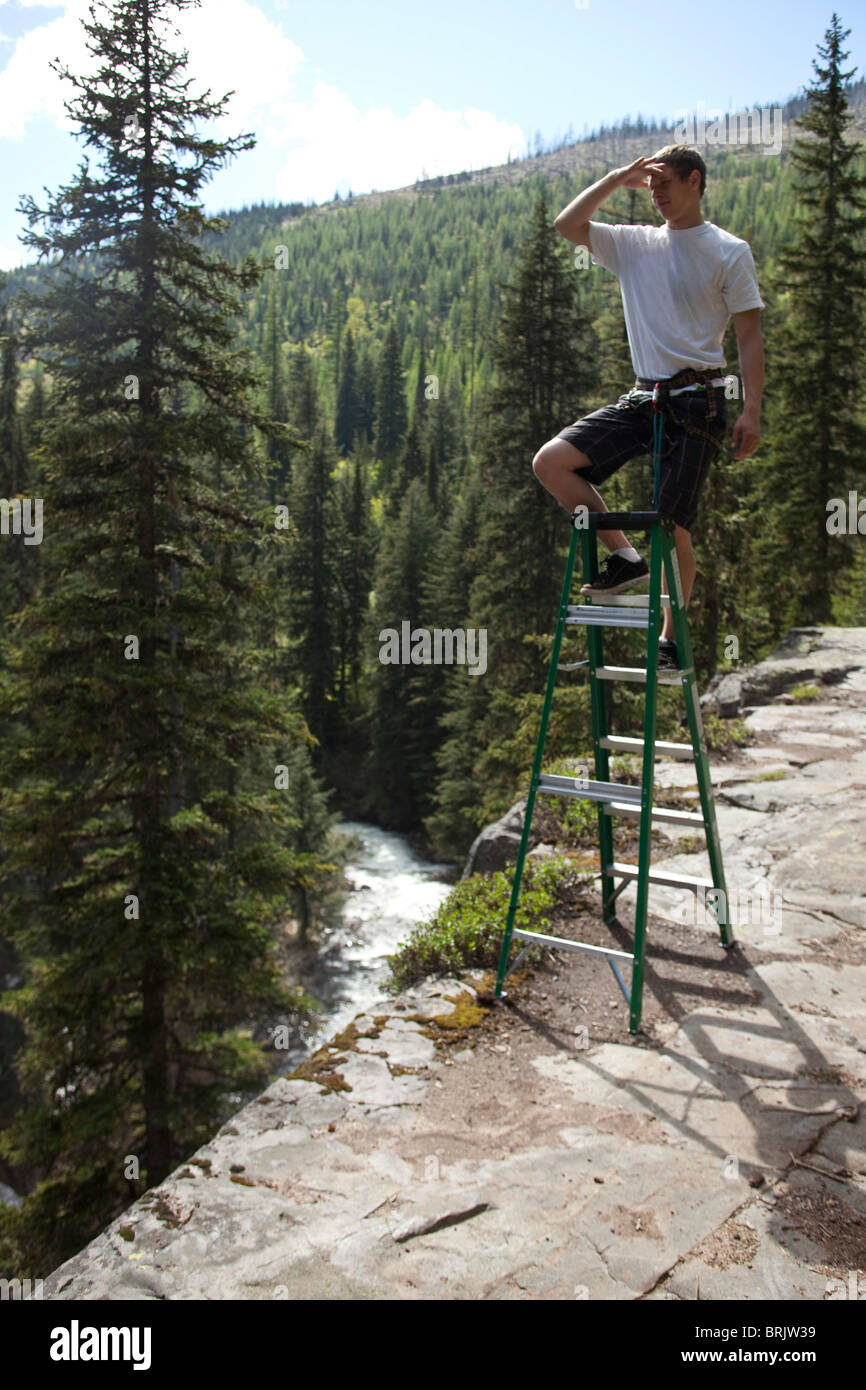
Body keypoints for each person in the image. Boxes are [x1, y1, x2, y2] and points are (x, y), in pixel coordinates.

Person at [534, 145, 764, 670]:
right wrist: (617, 178)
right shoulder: (634, 243)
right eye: (651, 184)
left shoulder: (728, 250)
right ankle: (624, 556)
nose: (655, 194)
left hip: (699, 400)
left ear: (695, 181)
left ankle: (669, 638)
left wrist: (751, 411)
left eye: (665, 183)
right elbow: (567, 225)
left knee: (672, 524)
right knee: (552, 462)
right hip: (644, 397)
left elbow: (750, 336)